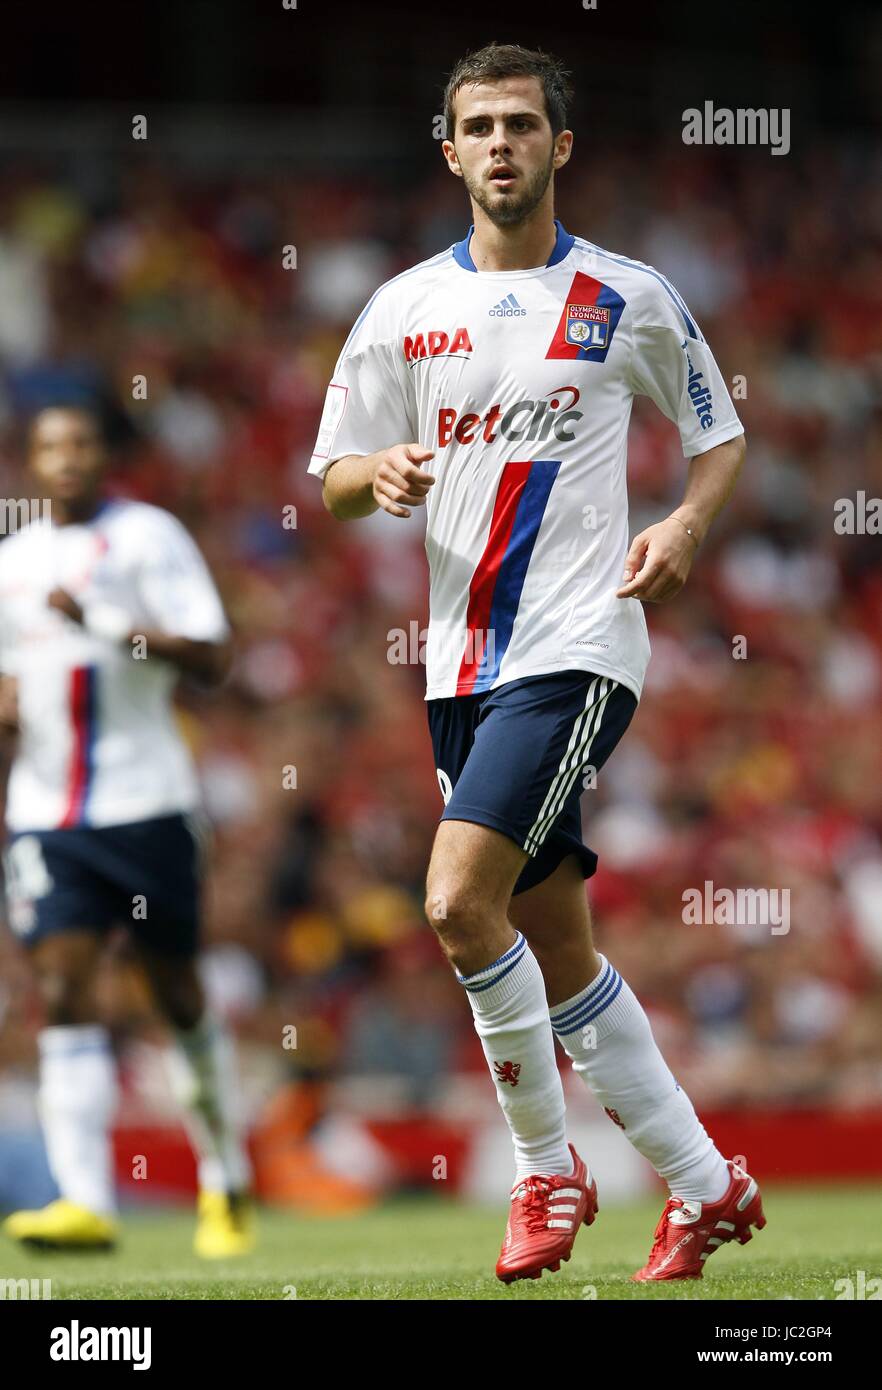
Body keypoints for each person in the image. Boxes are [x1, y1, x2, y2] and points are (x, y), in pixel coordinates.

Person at [307, 42, 762, 1284]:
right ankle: (709, 1182)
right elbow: (336, 474)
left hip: (577, 647)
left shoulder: (631, 296)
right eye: (478, 127)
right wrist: (376, 478)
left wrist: (683, 523)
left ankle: (545, 1171)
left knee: (459, 901)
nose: (500, 144)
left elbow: (718, 438)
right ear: (447, 151)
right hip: (460, 667)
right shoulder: (402, 308)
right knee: (555, 942)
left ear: (561, 145)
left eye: (521, 124)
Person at [0, 404, 254, 1258]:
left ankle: (226, 1178)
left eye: (79, 445)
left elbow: (214, 657)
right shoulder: (13, 562)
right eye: (48, 446)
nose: (65, 460)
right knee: (63, 992)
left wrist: (111, 630)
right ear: (31, 461)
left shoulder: (151, 538)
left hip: (146, 805)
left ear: (105, 454)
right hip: (46, 814)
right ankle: (85, 1202)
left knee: (175, 993)